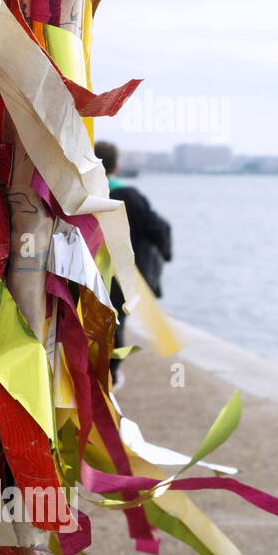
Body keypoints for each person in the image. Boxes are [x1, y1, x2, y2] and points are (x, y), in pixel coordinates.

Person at [94, 140, 172, 383]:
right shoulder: (129, 196)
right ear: (116, 165)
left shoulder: (81, 194)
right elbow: (157, 228)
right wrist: (165, 253)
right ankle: (110, 378)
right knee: (115, 326)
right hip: (119, 277)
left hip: (84, 274)